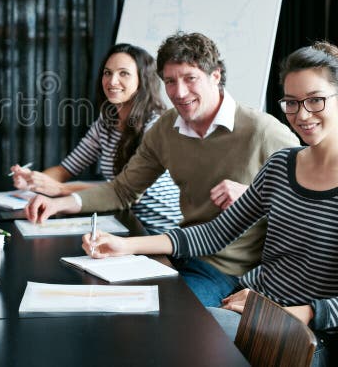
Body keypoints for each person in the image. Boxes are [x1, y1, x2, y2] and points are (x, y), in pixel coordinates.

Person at [82, 42, 338, 365]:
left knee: (167, 332)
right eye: (292, 103)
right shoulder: (282, 164)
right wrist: (124, 246)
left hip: (304, 337)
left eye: (315, 100)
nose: (302, 114)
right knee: (144, 323)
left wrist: (280, 314)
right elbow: (212, 234)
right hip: (251, 308)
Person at [25, 32, 299, 307]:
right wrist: (59, 203)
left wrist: (255, 196)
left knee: (158, 315)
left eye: (190, 78)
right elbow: (122, 190)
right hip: (181, 249)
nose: (179, 93)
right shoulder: (166, 128)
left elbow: (308, 212)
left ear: (215, 76)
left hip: (228, 270)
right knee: (97, 295)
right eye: (170, 81)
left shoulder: (264, 132)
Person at [10, 43, 183, 233]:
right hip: (121, 223)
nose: (112, 81)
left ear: (143, 80)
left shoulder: (155, 126)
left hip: (160, 232)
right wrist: (35, 181)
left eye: (123, 73)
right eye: (107, 73)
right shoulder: (105, 122)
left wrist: (60, 189)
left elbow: (122, 192)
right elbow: (66, 168)